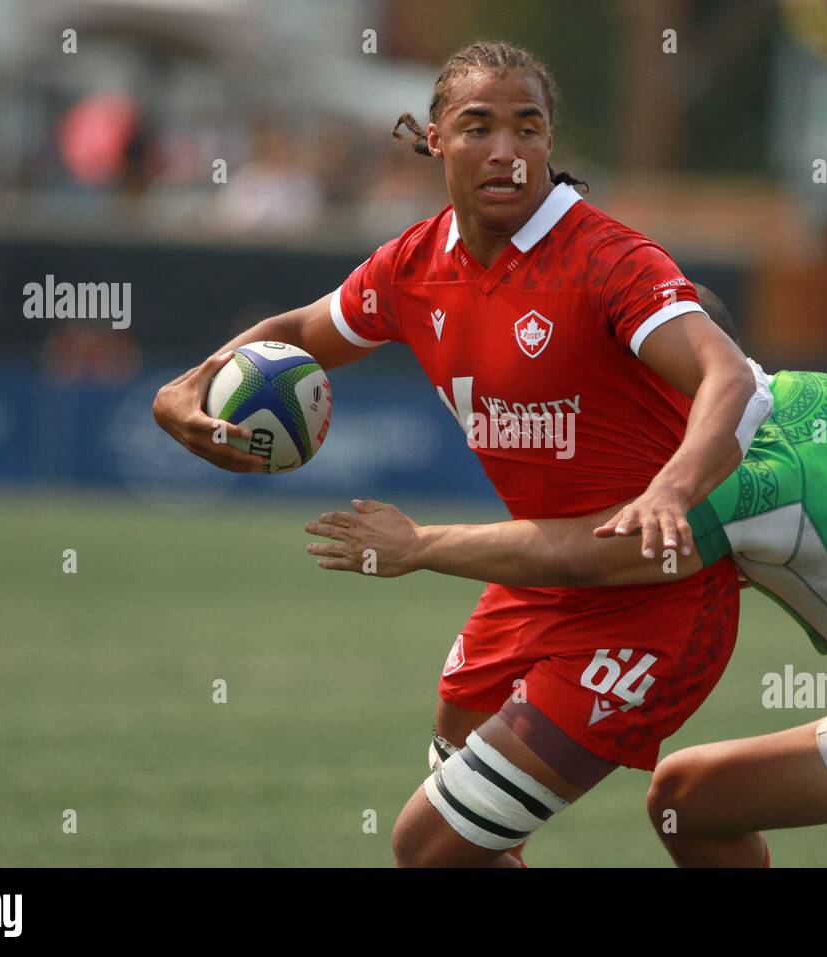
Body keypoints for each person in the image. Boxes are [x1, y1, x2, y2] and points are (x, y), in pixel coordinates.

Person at [153, 42, 772, 866]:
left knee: (427, 845)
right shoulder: (415, 266)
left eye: (529, 128)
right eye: (479, 127)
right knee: (467, 831)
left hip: (656, 596)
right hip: (538, 576)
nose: (507, 152)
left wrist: (672, 488)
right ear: (434, 139)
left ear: (552, 144)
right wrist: (184, 388)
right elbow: (300, 333)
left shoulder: (609, 261)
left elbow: (731, 376)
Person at [306, 290, 827, 867]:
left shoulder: (731, 488)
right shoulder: (823, 389)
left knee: (683, 798)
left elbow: (578, 557)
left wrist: (420, 543)